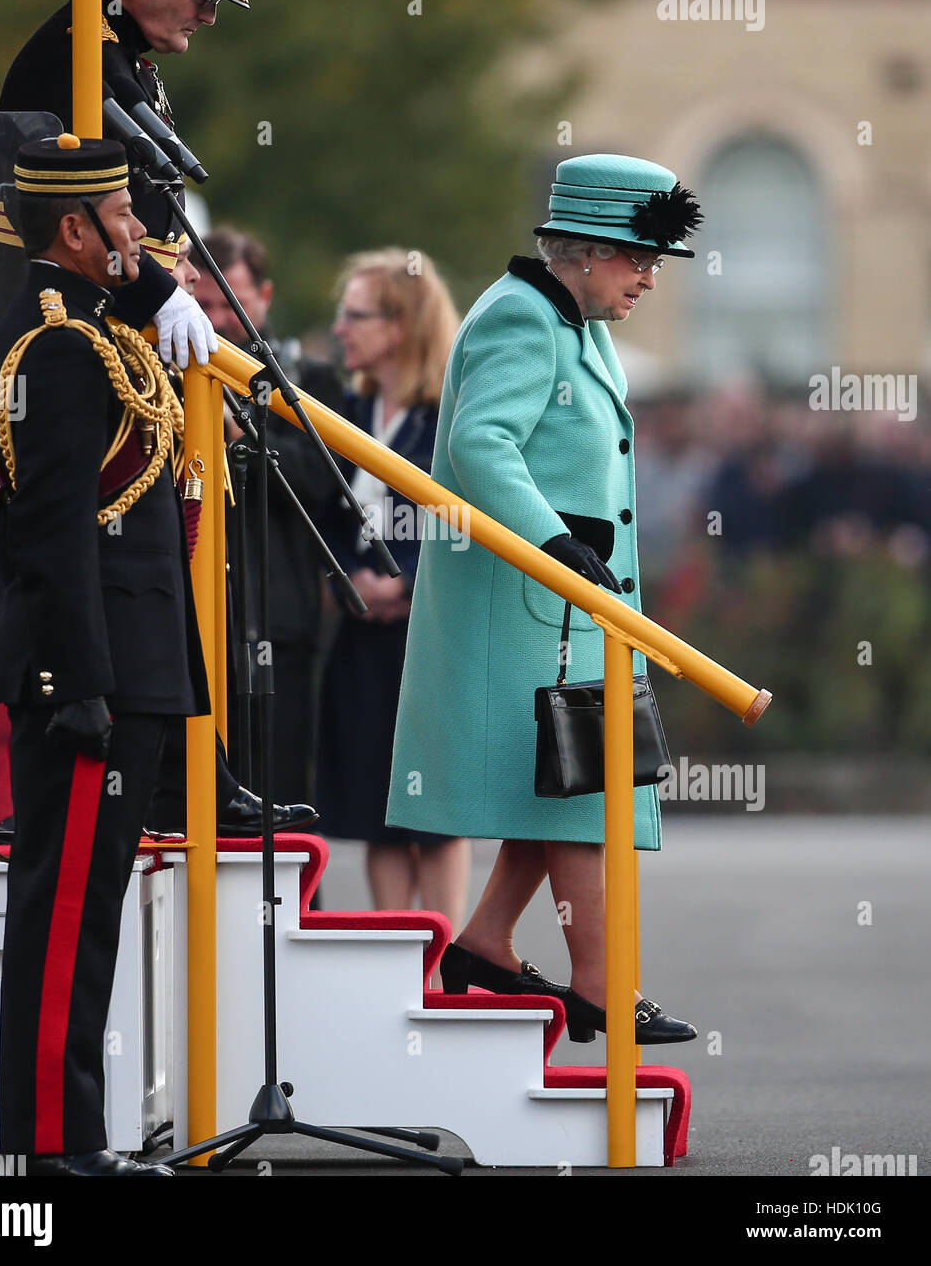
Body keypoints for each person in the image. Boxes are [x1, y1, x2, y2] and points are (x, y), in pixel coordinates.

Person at [0, 0, 265, 838]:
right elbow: (74, 217)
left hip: (96, 330)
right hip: (45, 328)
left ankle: (185, 773)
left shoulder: (115, 55)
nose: (207, 17)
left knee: (143, 557)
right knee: (21, 571)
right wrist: (160, 295)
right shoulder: (78, 56)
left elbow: (135, 203)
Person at [385, 156, 703, 1043]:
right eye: (639, 258)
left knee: (560, 785)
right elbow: (483, 443)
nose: (647, 278)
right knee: (578, 795)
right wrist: (556, 545)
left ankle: (485, 940)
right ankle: (600, 987)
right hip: (532, 607)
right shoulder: (523, 316)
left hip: (559, 611)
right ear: (589, 252)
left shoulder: (572, 320)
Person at [0, 134, 207, 1175]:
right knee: (63, 923)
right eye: (121, 216)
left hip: (131, 665)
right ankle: (50, 1154)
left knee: (90, 929)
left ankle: (76, 1140)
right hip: (90, 678)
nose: (139, 232)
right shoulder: (62, 347)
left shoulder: (98, 333)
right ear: (73, 230)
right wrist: (76, 683)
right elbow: (58, 528)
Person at [317, 249, 470, 936]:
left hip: (428, 642)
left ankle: (442, 977)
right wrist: (344, 584)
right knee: (379, 812)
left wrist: (406, 583)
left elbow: (467, 523)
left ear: (401, 325)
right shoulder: (346, 408)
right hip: (361, 637)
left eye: (357, 314)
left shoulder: (449, 417)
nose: (340, 327)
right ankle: (397, 967)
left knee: (433, 816)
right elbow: (320, 516)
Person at [193, 229, 344, 810]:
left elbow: (317, 482)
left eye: (225, 301)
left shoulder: (309, 379)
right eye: (199, 303)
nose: (212, 317)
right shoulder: (171, 367)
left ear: (263, 296)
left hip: (278, 617)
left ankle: (298, 902)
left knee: (281, 787)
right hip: (200, 613)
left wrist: (238, 428)